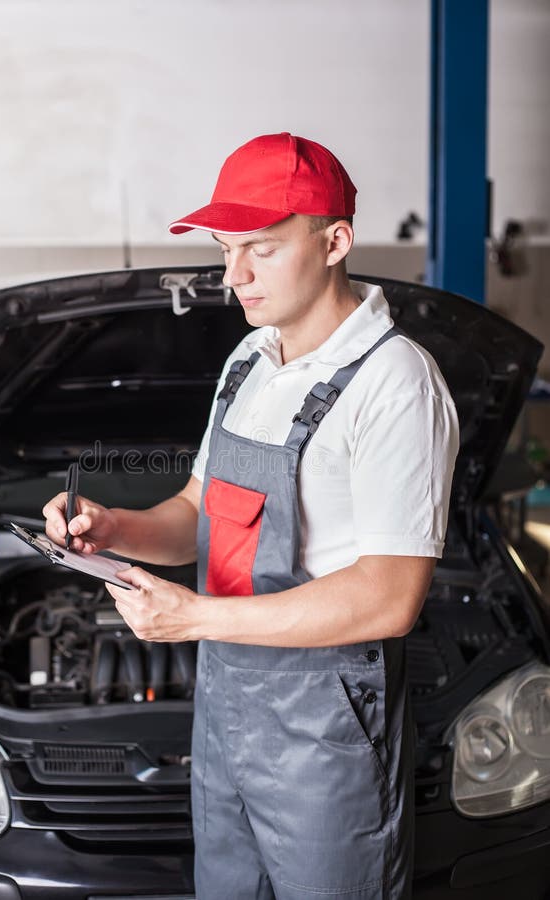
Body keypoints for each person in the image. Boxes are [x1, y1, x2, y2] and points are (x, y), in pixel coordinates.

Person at [43, 132, 459, 900]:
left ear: (334, 242)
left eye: (260, 249)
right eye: (224, 248)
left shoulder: (395, 383)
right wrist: (113, 528)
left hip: (327, 722)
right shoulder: (249, 361)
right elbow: (199, 510)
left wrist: (196, 617)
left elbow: (390, 596)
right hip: (230, 699)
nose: (233, 274)